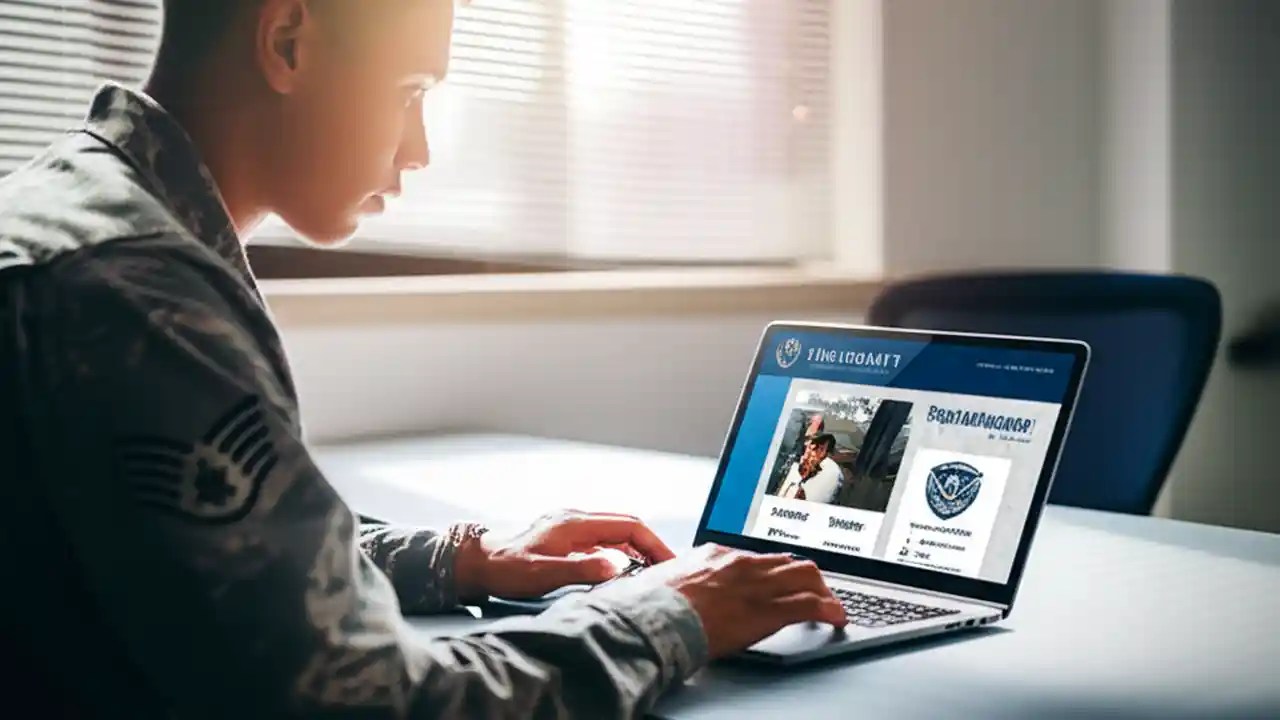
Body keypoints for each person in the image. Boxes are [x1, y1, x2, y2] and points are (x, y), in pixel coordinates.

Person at [0, 0, 847, 717]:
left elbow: (181, 563)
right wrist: (665, 613)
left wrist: (460, 558)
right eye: (409, 92)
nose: (419, 151)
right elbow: (372, 702)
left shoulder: (82, 213)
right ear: (288, 43)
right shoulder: (137, 293)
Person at [776, 433, 844, 504]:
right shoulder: (795, 468)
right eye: (808, 447)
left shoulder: (831, 472)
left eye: (820, 449)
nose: (810, 452)